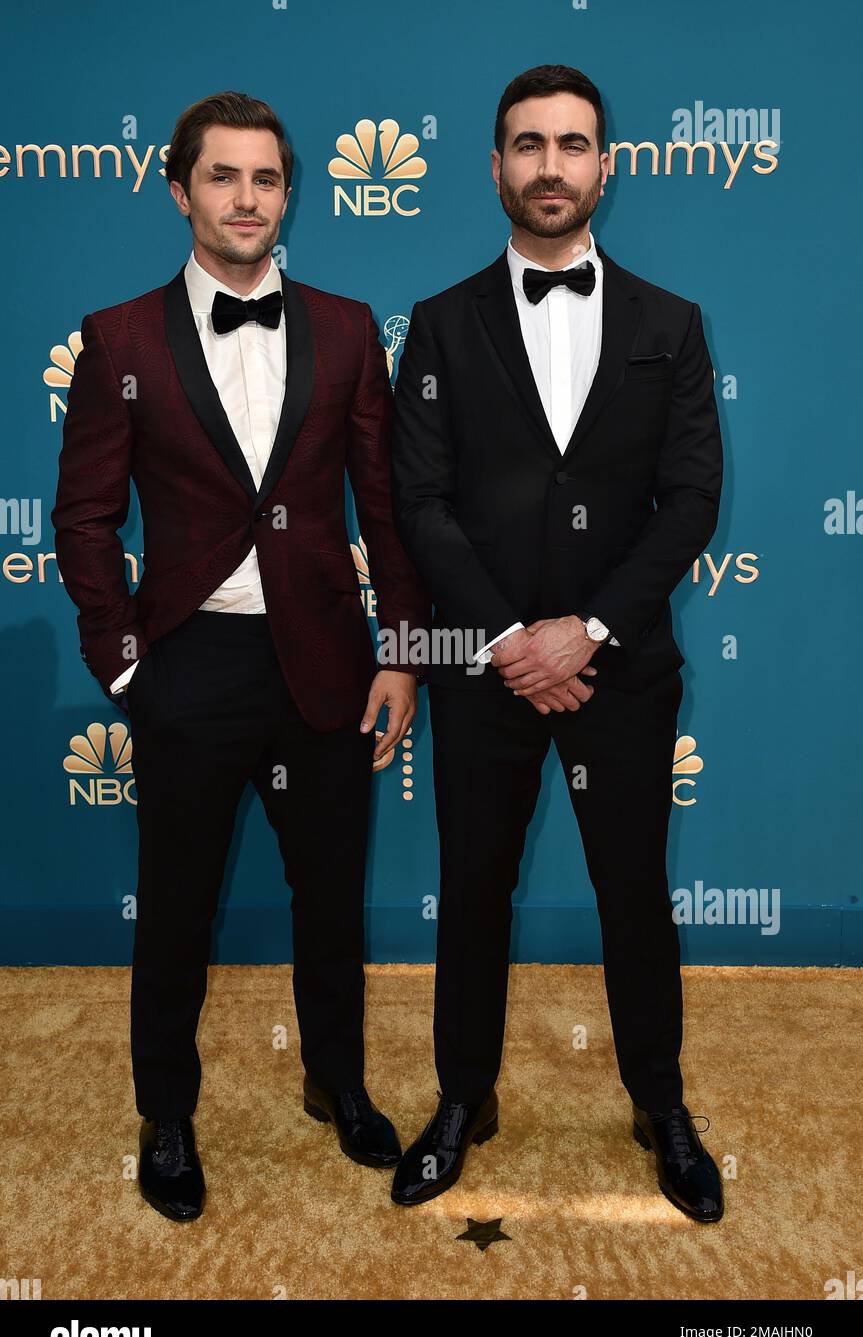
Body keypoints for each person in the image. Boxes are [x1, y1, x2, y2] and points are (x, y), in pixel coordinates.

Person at [52, 90, 428, 1222]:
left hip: (322, 658)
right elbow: (82, 519)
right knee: (172, 906)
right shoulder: (118, 338)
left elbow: (389, 508)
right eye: (223, 176)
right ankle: (165, 1113)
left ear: (288, 193)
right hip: (186, 666)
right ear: (180, 190)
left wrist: (401, 650)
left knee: (330, 900)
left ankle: (337, 1083)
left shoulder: (350, 327)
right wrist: (124, 664)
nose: (247, 197)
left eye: (266, 178)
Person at [390, 64, 724, 1221]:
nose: (547, 166)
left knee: (635, 892)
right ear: (493, 168)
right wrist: (503, 642)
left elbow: (689, 502)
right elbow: (418, 503)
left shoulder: (669, 325)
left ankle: (658, 1104)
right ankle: (459, 1102)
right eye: (525, 145)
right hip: (482, 678)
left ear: (604, 166)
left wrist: (581, 633)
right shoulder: (436, 324)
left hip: (620, 673)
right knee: (469, 889)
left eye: (570, 145)